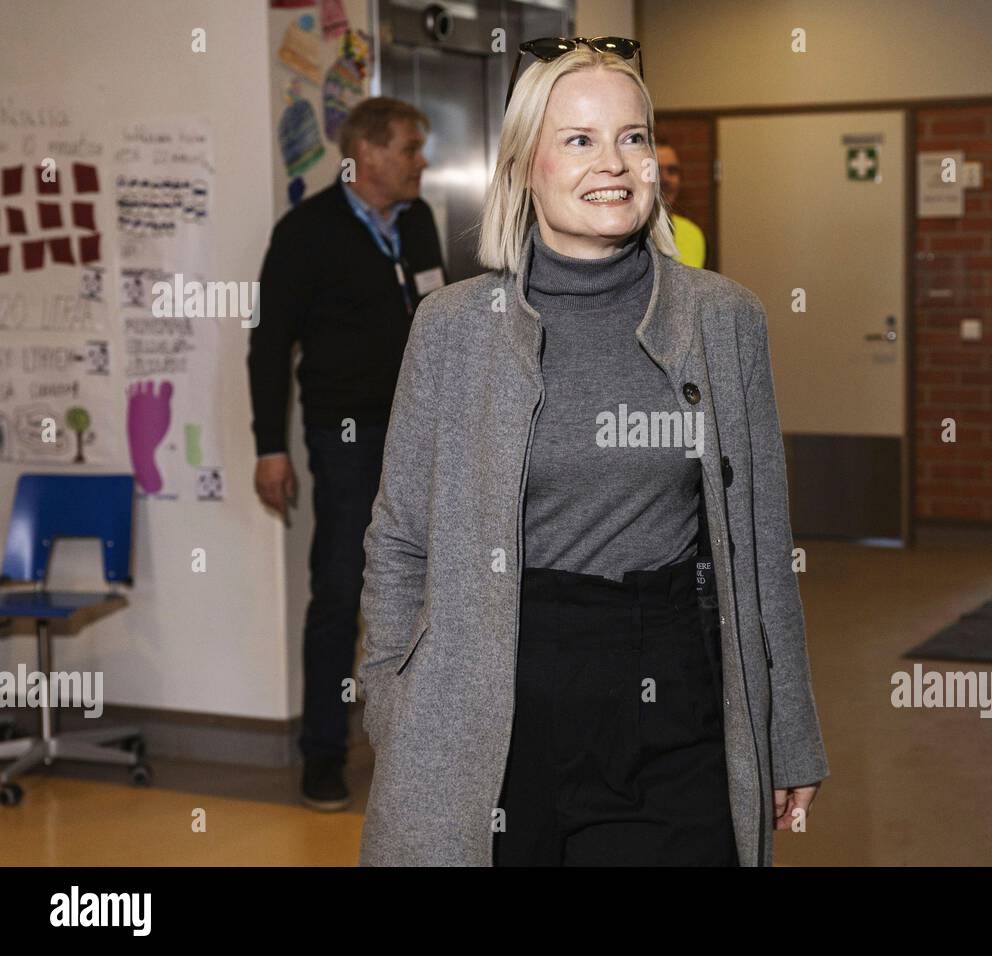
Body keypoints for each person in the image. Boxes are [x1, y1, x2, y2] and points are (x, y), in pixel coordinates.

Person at [357, 41, 828, 866]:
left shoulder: (725, 320)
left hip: (673, 701)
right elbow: (399, 538)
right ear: (524, 167)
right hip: (493, 706)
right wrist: (393, 706)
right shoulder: (453, 328)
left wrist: (788, 734)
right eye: (579, 140)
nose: (614, 163)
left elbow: (759, 546)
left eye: (634, 137)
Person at [247, 97, 445, 812]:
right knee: (340, 590)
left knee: (434, 589)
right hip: (347, 439)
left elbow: (439, 315)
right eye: (410, 148)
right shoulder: (307, 232)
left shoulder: (418, 223)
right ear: (366, 153)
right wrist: (271, 447)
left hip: (427, 434)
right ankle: (323, 754)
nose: (421, 161)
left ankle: (420, 742)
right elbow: (268, 345)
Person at [655, 135, 706, 268]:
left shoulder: (693, 234)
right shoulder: (624, 236)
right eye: (657, 170)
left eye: (672, 171)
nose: (665, 179)